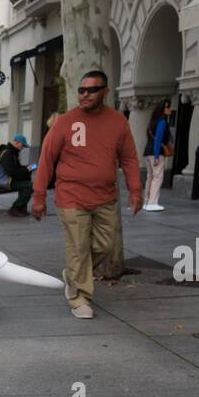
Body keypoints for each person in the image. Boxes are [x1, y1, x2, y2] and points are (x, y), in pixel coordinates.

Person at [32, 70, 142, 320]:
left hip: (105, 197)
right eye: (81, 90)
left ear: (105, 91)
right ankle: (79, 297)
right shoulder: (65, 121)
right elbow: (46, 159)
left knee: (106, 244)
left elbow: (129, 158)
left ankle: (73, 273)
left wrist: (136, 190)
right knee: (78, 247)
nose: (84, 94)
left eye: (92, 90)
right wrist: (38, 197)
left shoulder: (117, 122)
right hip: (71, 196)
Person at [142, 99, 174, 211]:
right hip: (156, 152)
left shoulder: (152, 121)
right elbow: (159, 138)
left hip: (147, 151)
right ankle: (152, 202)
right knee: (157, 177)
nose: (170, 109)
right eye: (168, 107)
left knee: (150, 177)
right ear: (163, 109)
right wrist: (156, 156)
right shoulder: (162, 122)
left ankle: (146, 201)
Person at [0, 133, 33, 217]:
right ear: (17, 142)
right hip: (5, 181)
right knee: (28, 185)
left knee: (27, 180)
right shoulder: (7, 153)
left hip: (10, 179)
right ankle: (15, 208)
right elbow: (11, 171)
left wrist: (26, 169)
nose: (23, 148)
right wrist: (26, 169)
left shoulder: (13, 152)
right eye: (22, 145)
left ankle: (21, 208)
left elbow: (15, 168)